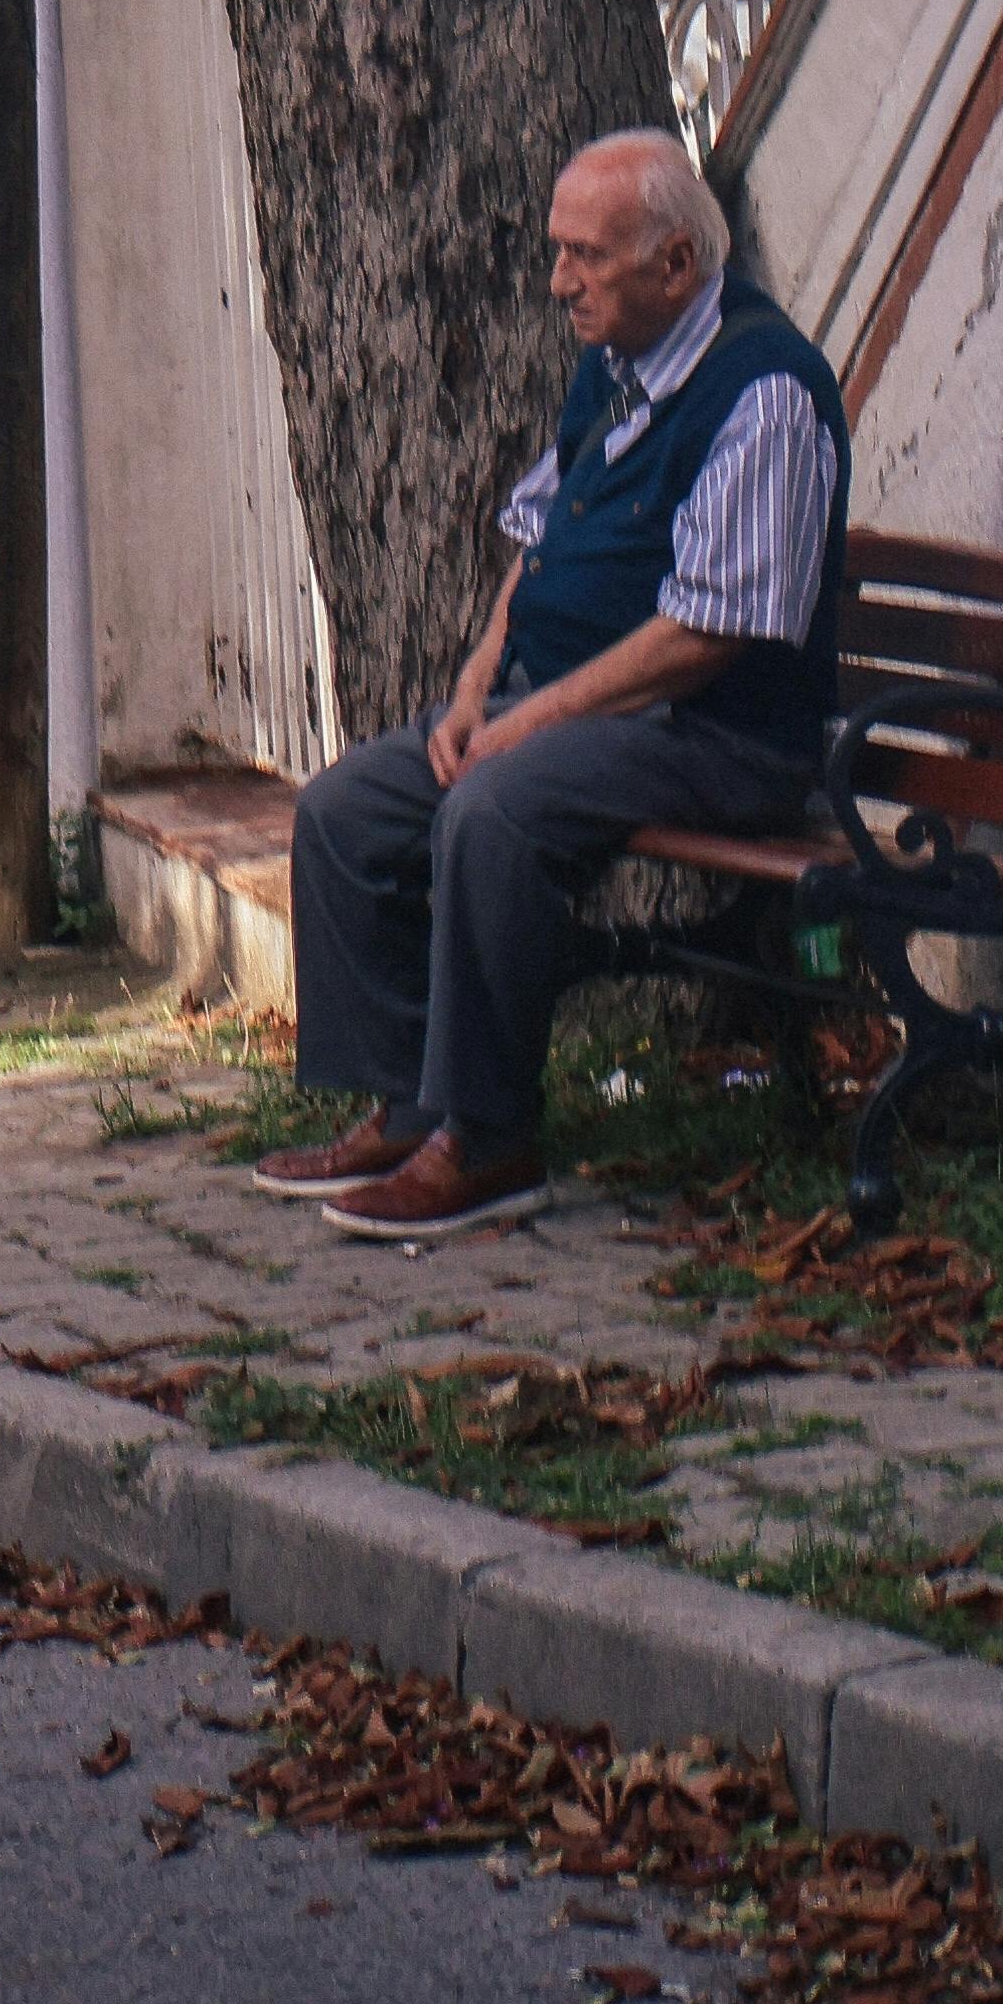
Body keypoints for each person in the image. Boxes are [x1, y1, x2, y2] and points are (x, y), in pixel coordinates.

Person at [272, 132, 849, 1239]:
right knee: (343, 811)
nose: (557, 282)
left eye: (584, 257)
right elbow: (537, 539)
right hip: (576, 705)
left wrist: (527, 722)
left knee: (494, 809)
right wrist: (478, 683)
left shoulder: (762, 392)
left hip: (717, 735)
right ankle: (412, 1102)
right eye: (559, 253)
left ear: (673, 264)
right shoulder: (617, 368)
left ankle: (489, 1142)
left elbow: (705, 635)